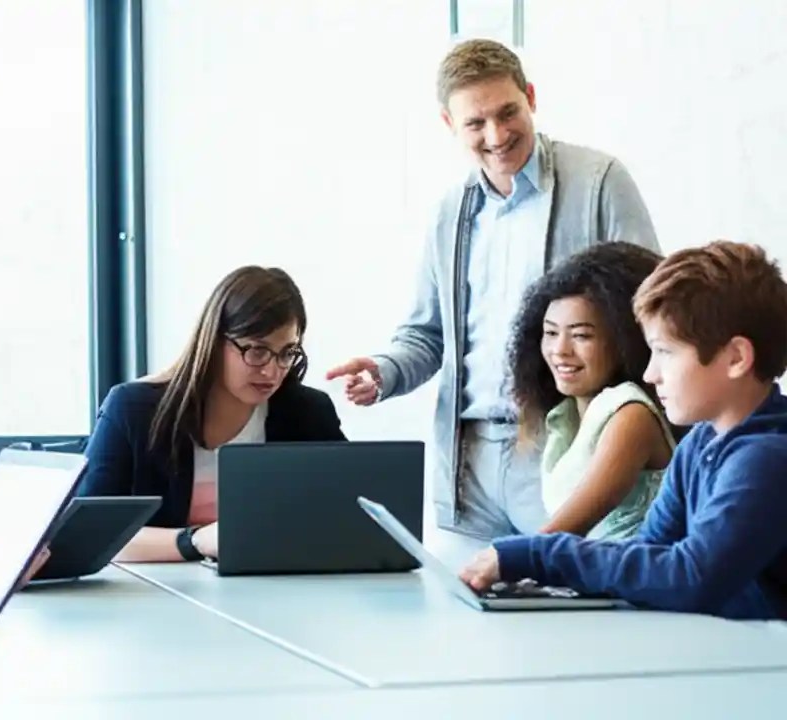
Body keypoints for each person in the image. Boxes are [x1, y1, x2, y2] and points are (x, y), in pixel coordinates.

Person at [327, 39, 660, 548]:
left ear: (530, 96)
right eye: (476, 123)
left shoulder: (600, 181)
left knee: (569, 607)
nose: (497, 135)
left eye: (508, 112)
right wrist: (384, 371)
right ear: (449, 125)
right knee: (464, 611)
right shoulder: (449, 212)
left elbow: (650, 307)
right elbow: (425, 334)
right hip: (469, 459)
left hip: (561, 441)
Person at [461, 241, 787, 620]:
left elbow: (690, 576)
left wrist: (535, 555)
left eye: (665, 352)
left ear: (736, 358)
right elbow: (652, 553)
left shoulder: (767, 457)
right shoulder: (700, 444)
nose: (650, 374)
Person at [79, 266, 345, 562]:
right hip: (158, 592)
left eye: (286, 353)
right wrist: (196, 541)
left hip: (276, 591)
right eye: (257, 350)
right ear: (215, 341)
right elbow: (87, 534)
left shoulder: (307, 412)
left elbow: (352, 514)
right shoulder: (132, 409)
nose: (272, 371)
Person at [508, 242, 674, 539]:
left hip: (625, 583)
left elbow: (563, 533)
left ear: (625, 340)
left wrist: (500, 560)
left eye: (581, 335)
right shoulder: (565, 414)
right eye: (550, 333)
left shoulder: (631, 414)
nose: (560, 350)